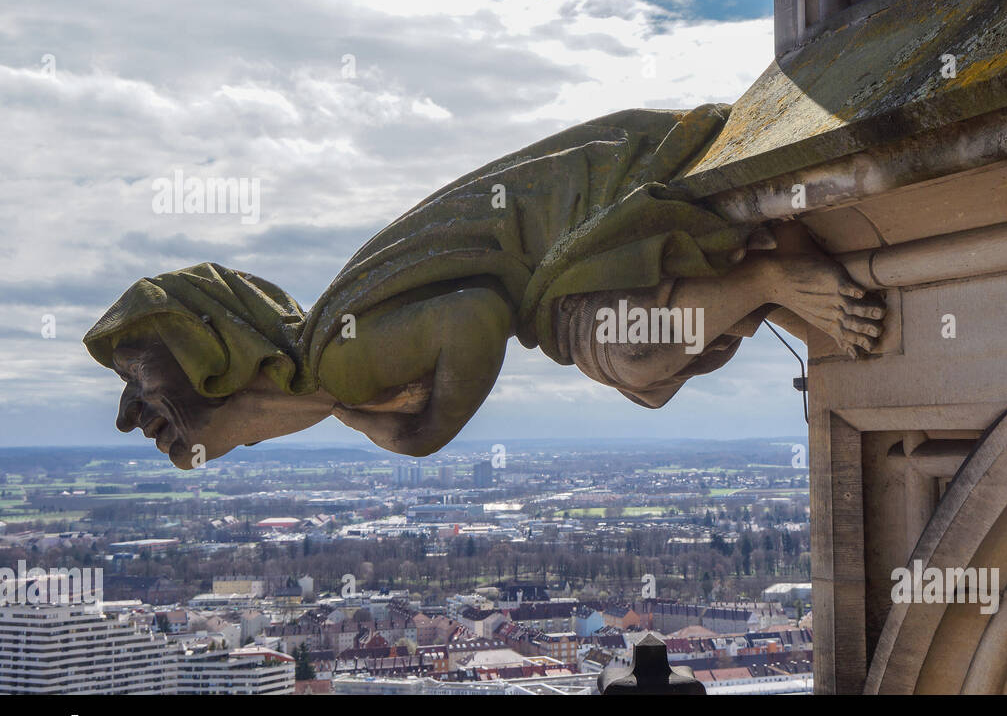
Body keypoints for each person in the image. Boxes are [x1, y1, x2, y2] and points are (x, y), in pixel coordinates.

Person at [85, 104, 883, 468]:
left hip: (601, 205)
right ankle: (754, 281)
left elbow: (476, 314)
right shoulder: (333, 354)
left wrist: (424, 430)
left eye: (228, 437)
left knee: (622, 352)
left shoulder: (336, 364)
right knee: (618, 351)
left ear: (227, 390)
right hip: (593, 196)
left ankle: (770, 273)